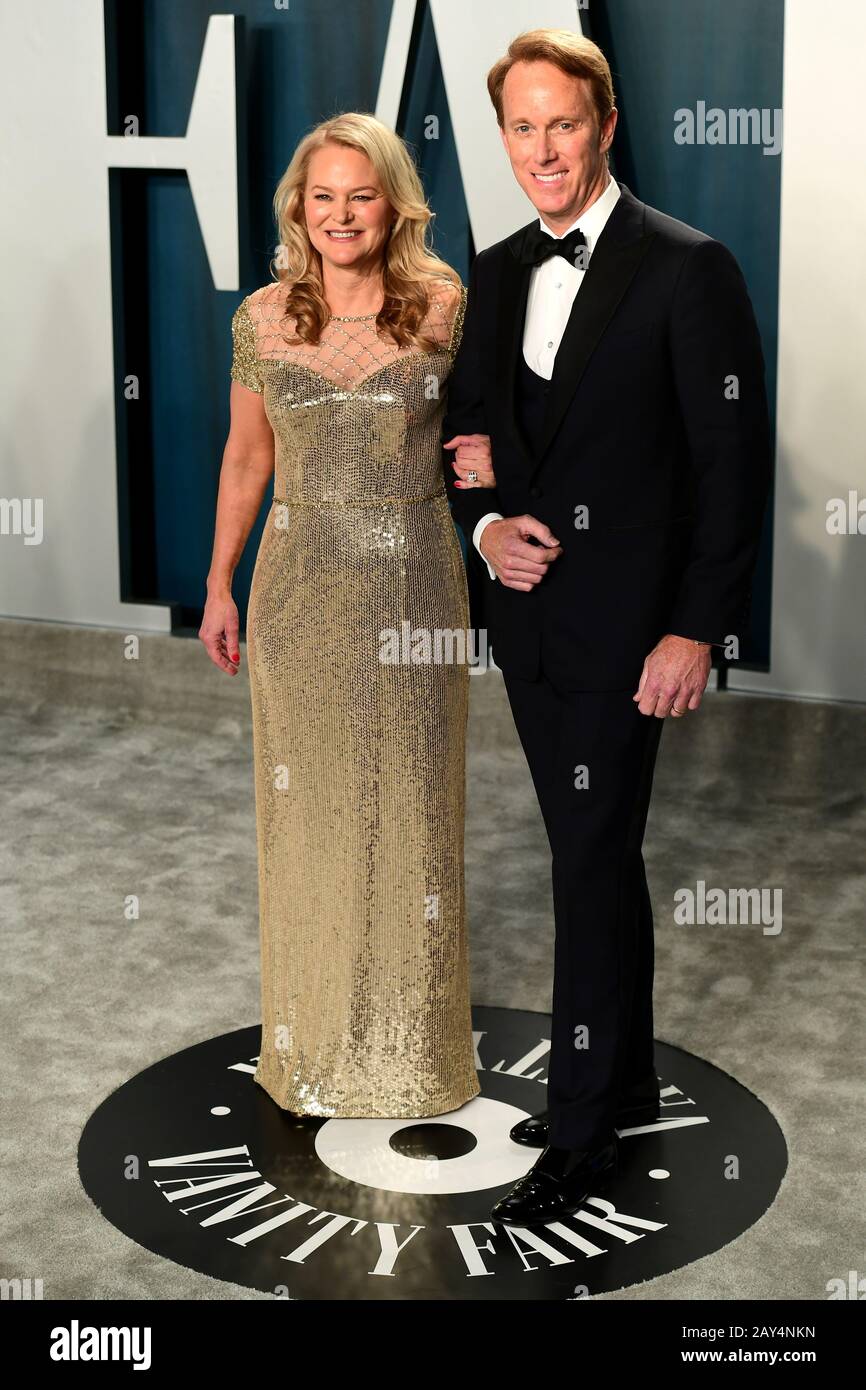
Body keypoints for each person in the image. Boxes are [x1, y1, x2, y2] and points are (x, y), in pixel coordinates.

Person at [444, 29, 771, 1224]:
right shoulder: (492, 266)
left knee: (583, 866)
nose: (542, 148)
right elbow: (467, 433)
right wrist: (481, 529)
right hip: (527, 631)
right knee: (596, 858)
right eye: (520, 127)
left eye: (561, 124)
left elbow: (728, 471)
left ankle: (581, 1132)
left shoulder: (689, 268)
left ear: (604, 126)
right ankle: (620, 1074)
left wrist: (693, 632)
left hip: (632, 641)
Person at [200, 113, 495, 1119]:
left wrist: (495, 470)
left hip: (414, 577)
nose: (339, 214)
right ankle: (312, 1046)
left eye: (358, 195)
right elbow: (247, 459)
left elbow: (498, 433)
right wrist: (217, 583)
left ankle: (411, 1053)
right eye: (320, 196)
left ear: (392, 203)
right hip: (296, 587)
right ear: (297, 207)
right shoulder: (261, 319)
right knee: (309, 813)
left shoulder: (446, 306)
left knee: (412, 807)